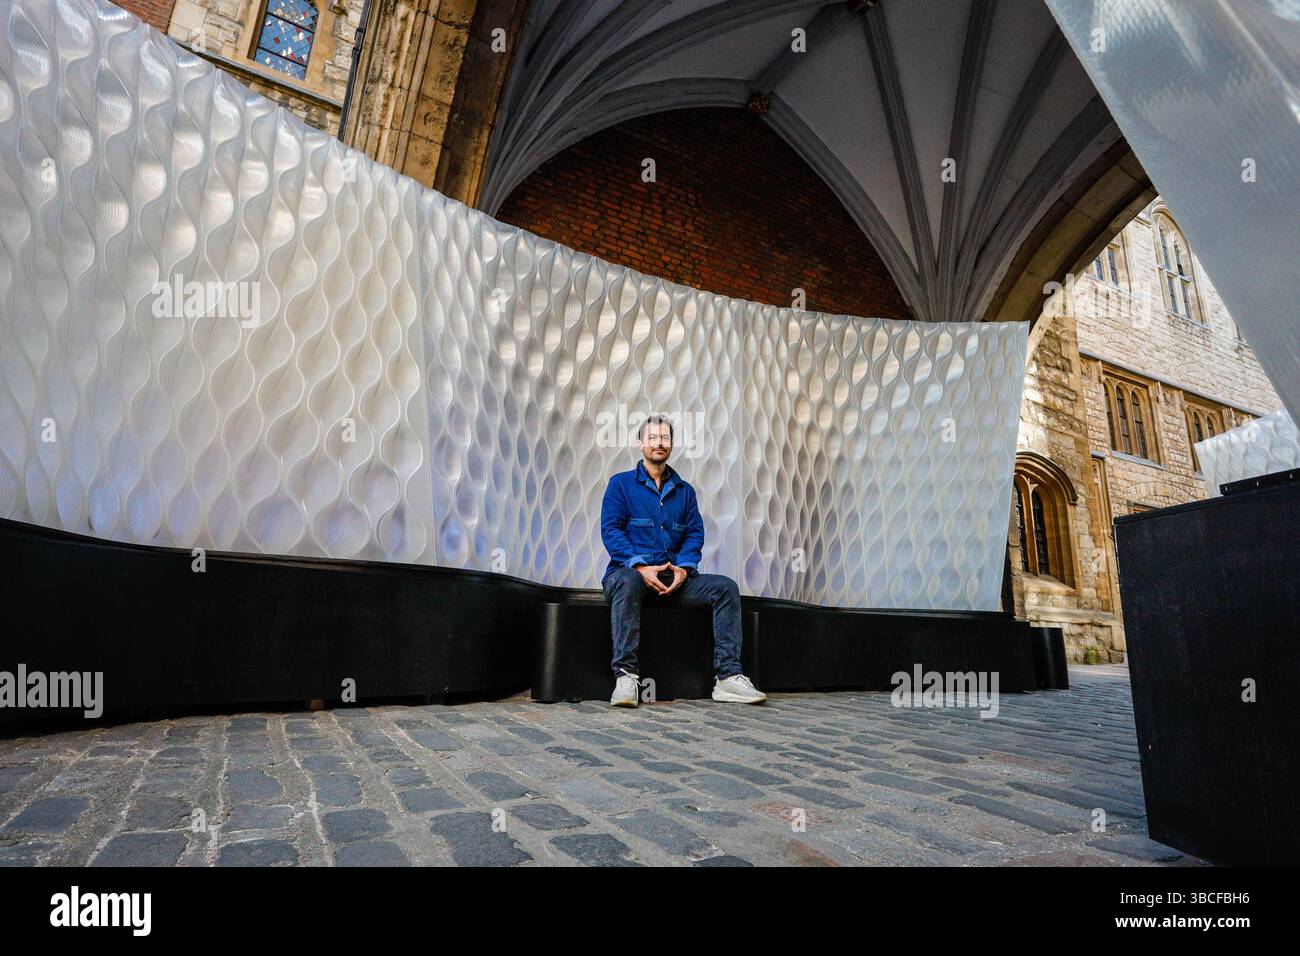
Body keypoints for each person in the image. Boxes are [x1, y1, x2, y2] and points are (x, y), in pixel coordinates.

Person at [599, 415, 767, 707]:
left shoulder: (685, 492)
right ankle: (626, 677)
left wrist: (684, 569)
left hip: (673, 580)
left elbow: (694, 534)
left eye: (664, 438)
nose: (659, 443)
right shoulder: (621, 485)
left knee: (725, 587)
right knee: (627, 580)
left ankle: (728, 678)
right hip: (629, 576)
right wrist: (640, 566)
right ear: (641, 444)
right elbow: (611, 531)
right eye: (652, 438)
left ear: (672, 444)